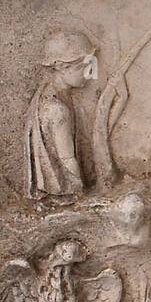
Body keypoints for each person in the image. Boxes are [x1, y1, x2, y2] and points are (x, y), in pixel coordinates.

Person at [25, 30, 97, 205]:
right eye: (85, 67)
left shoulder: (49, 94)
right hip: (63, 195)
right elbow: (67, 160)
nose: (90, 74)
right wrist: (81, 193)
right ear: (64, 67)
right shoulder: (57, 109)